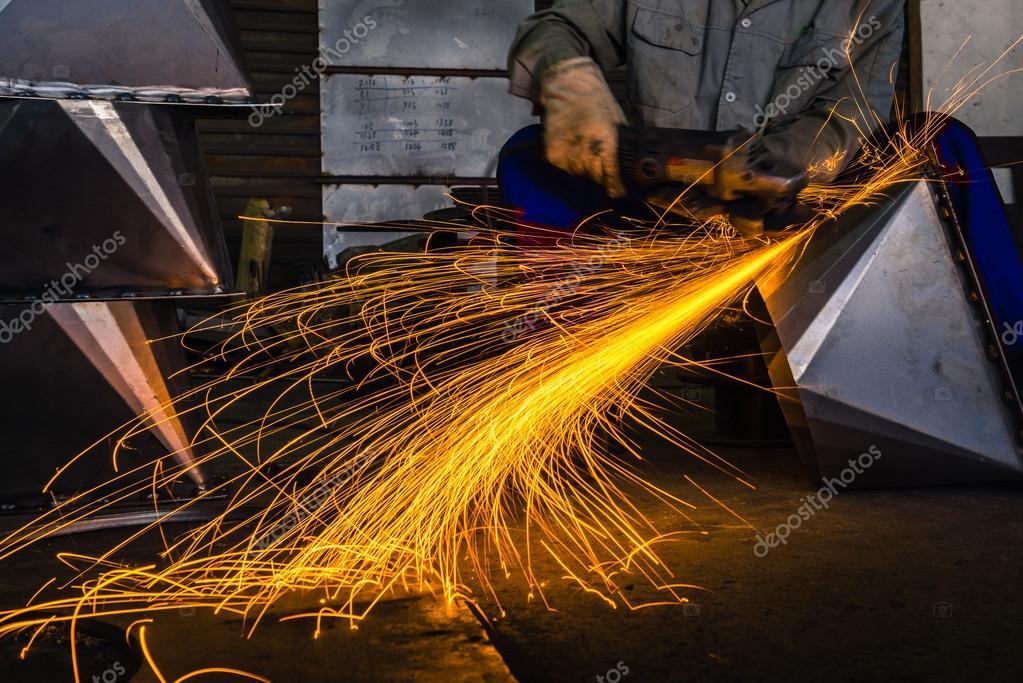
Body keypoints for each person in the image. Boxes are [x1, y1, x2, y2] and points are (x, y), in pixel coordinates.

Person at [498, 1, 906, 232]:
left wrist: (761, 172)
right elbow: (556, 27)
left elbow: (853, 112)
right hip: (642, 201)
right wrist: (571, 84)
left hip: (759, 218)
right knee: (525, 156)